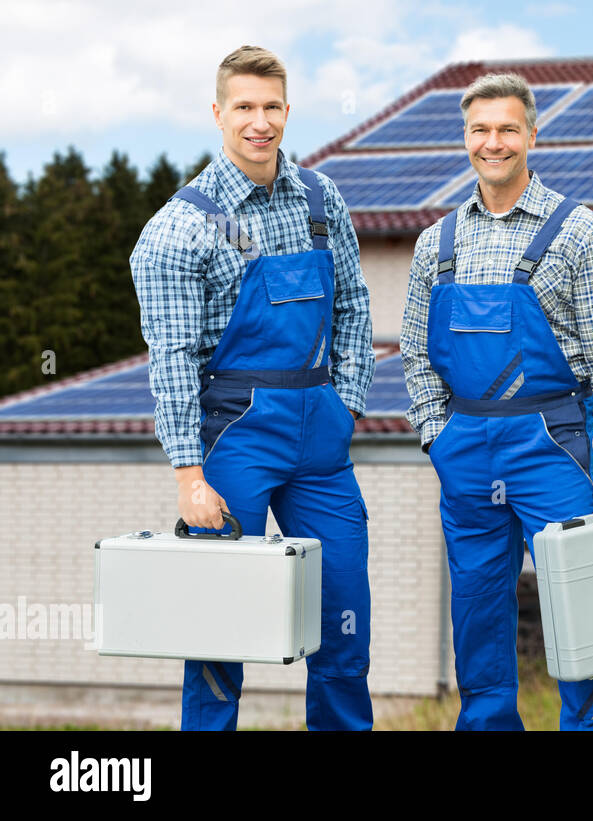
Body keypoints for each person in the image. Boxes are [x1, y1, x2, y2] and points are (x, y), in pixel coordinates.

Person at [130, 45, 375, 731]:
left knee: (344, 616)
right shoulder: (177, 230)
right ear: (218, 114)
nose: (259, 121)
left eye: (271, 107)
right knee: (219, 627)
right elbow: (172, 360)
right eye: (244, 107)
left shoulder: (324, 201)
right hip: (234, 434)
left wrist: (346, 402)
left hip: (322, 439)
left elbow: (354, 307)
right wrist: (188, 475)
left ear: (288, 112)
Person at [400, 73, 593, 731]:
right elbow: (416, 354)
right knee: (477, 616)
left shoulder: (581, 233)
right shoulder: (437, 243)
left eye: (508, 128)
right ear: (466, 138)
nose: (494, 142)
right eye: (480, 129)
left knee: (583, 616)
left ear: (533, 135)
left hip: (554, 445)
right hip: (467, 451)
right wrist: (436, 436)